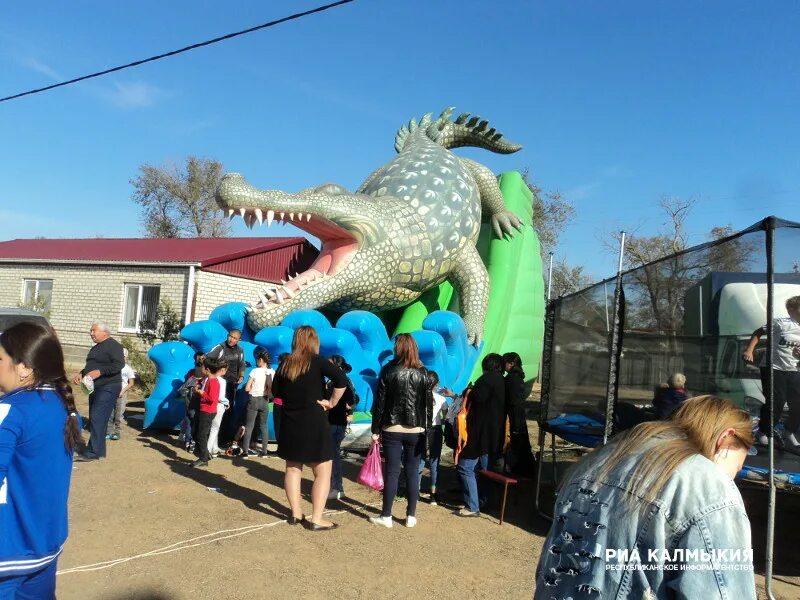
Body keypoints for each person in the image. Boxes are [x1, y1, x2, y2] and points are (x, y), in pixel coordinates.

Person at [534, 395, 756, 598]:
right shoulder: (709, 486)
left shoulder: (598, 460)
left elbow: (551, 566)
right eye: (738, 466)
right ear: (726, 438)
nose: (733, 477)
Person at [0, 322, 81, 597]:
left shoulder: (11, 410)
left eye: (0, 359)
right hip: (45, 545)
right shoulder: (64, 407)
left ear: (23, 367)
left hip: (8, 550)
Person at [272, 326, 347, 530]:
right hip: (314, 420)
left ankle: (296, 513)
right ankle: (316, 518)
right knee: (322, 471)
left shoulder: (285, 364)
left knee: (293, 468)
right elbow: (342, 380)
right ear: (314, 341)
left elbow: (275, 391)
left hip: (290, 420)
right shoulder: (318, 361)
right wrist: (331, 401)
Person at [369, 333, 432, 529]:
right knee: (413, 472)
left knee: (392, 472)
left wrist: (375, 429)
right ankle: (411, 515)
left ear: (398, 348)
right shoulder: (423, 373)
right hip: (417, 428)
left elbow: (380, 403)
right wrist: (427, 429)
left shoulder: (388, 370)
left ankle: (386, 515)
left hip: (392, 427)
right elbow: (427, 405)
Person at [743, 295, 800, 451]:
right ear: (792, 310)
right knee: (777, 401)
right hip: (773, 367)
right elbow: (758, 332)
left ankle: (789, 430)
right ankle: (764, 430)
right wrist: (749, 350)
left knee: (797, 404)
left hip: (794, 369)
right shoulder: (780, 323)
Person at [456, 353, 506, 518]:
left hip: (479, 434)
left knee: (465, 467)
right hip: (495, 435)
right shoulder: (503, 381)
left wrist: (469, 391)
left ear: (486, 365)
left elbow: (479, 397)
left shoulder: (486, 380)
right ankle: (484, 502)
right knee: (486, 470)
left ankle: (472, 506)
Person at [72, 322, 124, 461]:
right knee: (97, 418)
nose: (91, 333)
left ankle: (93, 452)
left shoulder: (114, 346)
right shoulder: (96, 348)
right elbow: (93, 366)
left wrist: (100, 372)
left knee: (96, 417)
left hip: (109, 386)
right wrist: (82, 373)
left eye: (93, 330)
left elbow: (118, 365)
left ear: (104, 332)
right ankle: (98, 451)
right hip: (95, 387)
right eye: (90, 330)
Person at [325, 355, 357, 500]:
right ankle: (333, 484)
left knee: (334, 454)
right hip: (331, 421)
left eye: (329, 364)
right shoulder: (332, 380)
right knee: (331, 454)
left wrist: (346, 410)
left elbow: (353, 399)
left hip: (336, 422)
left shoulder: (342, 379)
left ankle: (337, 487)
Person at [206, 329, 245, 444]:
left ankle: (223, 438)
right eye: (230, 336)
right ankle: (210, 438)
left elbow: (242, 364)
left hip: (232, 384)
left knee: (228, 411)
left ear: (239, 340)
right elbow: (207, 358)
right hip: (219, 382)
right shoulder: (220, 347)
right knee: (216, 409)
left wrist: (241, 376)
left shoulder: (240, 351)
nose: (231, 339)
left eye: (234, 338)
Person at [502, 351, 535, 476]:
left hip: (515, 414)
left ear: (510, 364)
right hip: (519, 413)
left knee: (518, 442)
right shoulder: (519, 376)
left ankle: (522, 469)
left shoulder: (512, 378)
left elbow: (511, 399)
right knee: (522, 441)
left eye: (505, 364)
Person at [192, 357, 227, 467]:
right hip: (205, 410)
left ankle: (204, 458)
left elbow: (212, 398)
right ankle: (205, 455)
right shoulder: (209, 380)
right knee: (198, 433)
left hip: (208, 411)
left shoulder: (213, 381)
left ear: (207, 369)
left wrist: (201, 393)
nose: (201, 368)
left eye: (202, 367)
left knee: (202, 435)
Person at [419, 370, 448, 506]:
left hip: (420, 430)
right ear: (436, 384)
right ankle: (433, 495)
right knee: (434, 463)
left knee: (419, 459)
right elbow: (445, 417)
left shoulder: (418, 397)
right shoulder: (442, 399)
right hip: (436, 430)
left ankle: (415, 491)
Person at [241, 349, 274, 459]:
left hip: (254, 400)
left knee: (249, 426)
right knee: (264, 426)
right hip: (265, 401)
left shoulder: (255, 371)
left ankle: (245, 451)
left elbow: (247, 388)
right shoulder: (272, 372)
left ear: (260, 360)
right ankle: (264, 451)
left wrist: (251, 387)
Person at [107, 348, 136, 441]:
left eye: (122, 356)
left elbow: (131, 383)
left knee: (119, 414)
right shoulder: (112, 367)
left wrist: (122, 391)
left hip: (121, 394)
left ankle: (117, 432)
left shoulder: (128, 369)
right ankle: (108, 432)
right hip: (111, 392)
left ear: (125, 357)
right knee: (110, 413)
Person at [179, 352, 204, 453]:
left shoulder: (191, 373)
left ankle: (188, 442)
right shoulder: (199, 374)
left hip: (190, 401)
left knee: (189, 421)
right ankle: (190, 442)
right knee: (193, 422)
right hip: (194, 401)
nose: (201, 360)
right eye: (201, 359)